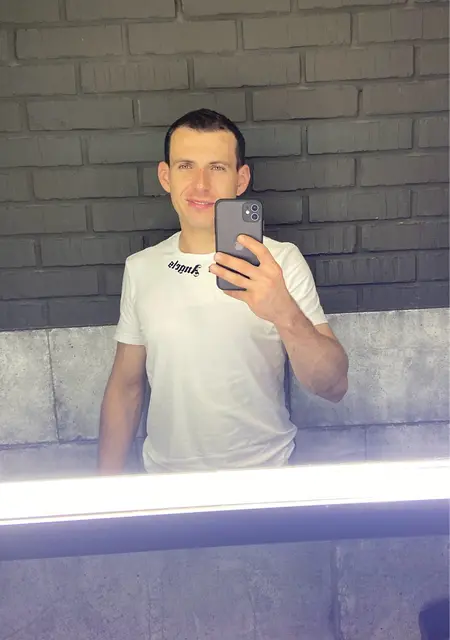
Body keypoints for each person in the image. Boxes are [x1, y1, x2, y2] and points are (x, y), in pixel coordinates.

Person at [98, 109, 349, 475]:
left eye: (217, 168)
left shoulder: (279, 262)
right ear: (165, 176)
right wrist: (105, 488)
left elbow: (333, 386)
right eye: (186, 166)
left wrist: (284, 312)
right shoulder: (141, 268)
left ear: (240, 179)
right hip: (167, 484)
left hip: (264, 478)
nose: (200, 185)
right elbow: (126, 387)